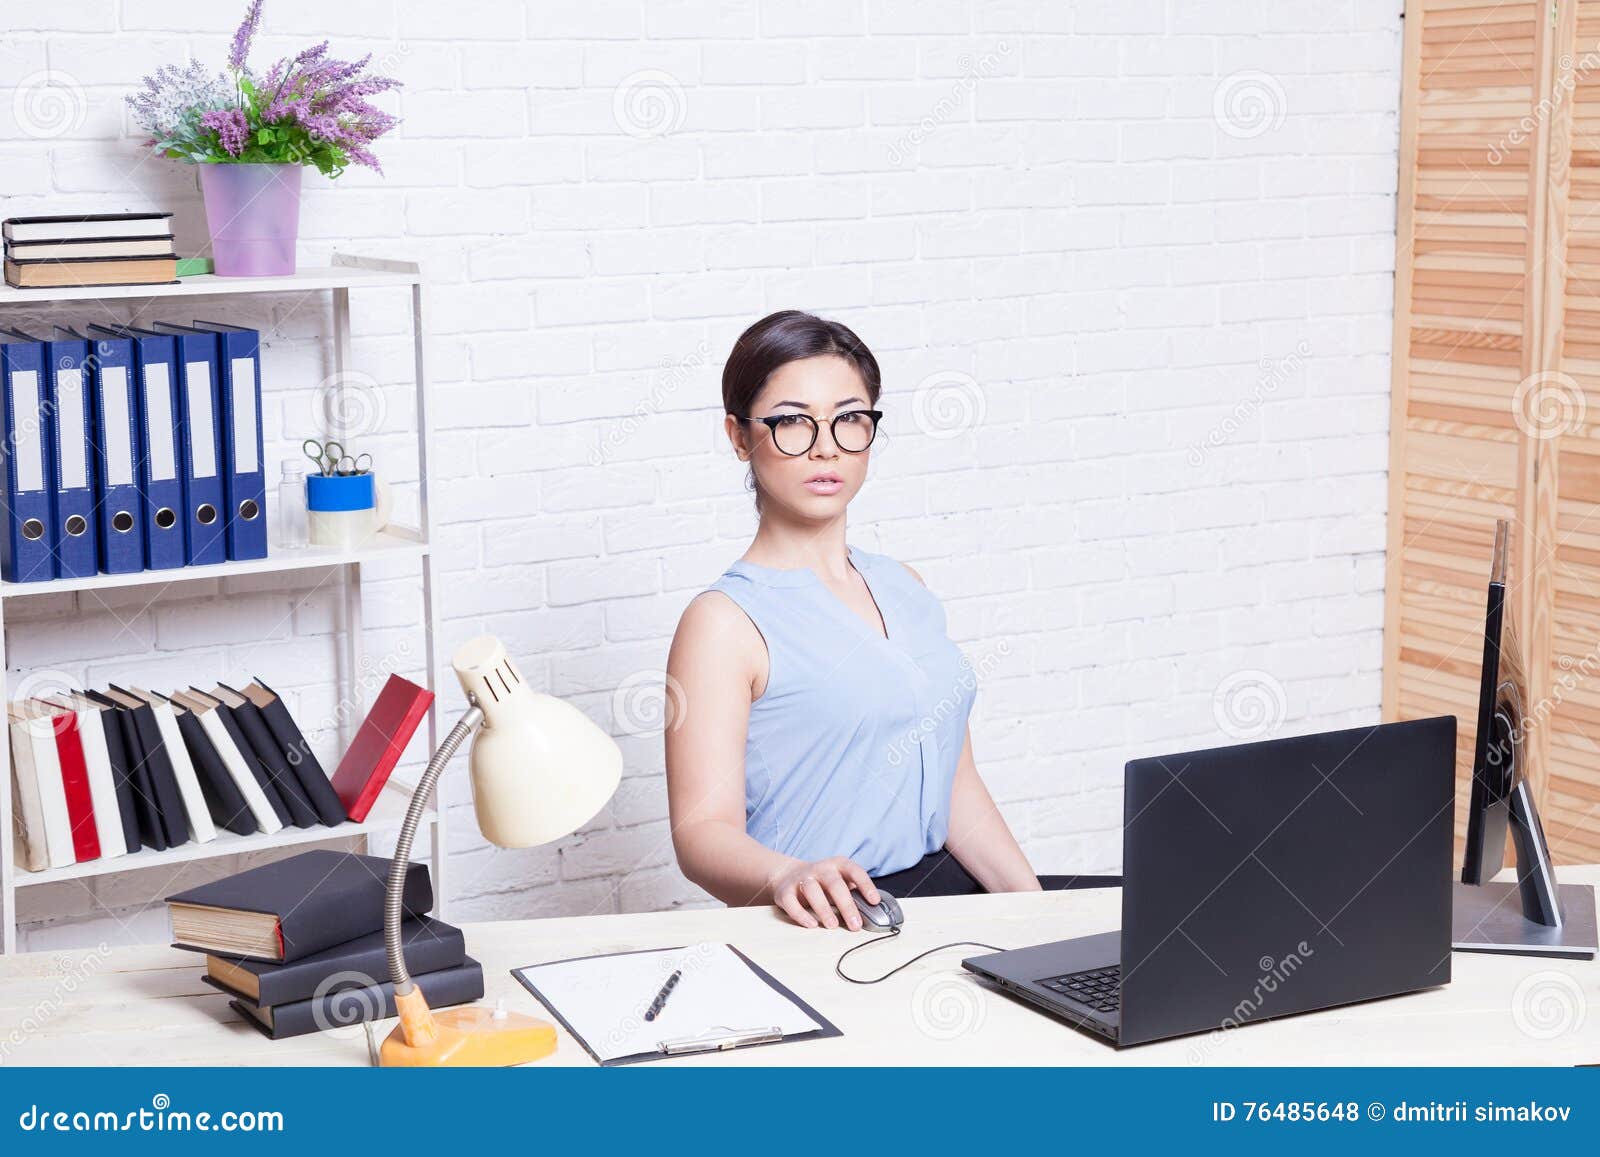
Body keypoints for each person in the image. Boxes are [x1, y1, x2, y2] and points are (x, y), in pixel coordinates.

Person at [665, 310, 1107, 931]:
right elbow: (701, 835)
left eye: (849, 418)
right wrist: (789, 876)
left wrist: (1037, 917)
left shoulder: (906, 586)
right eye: (792, 421)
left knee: (1142, 924)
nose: (825, 447)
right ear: (740, 437)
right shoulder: (723, 623)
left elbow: (956, 787)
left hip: (949, 894)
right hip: (838, 918)